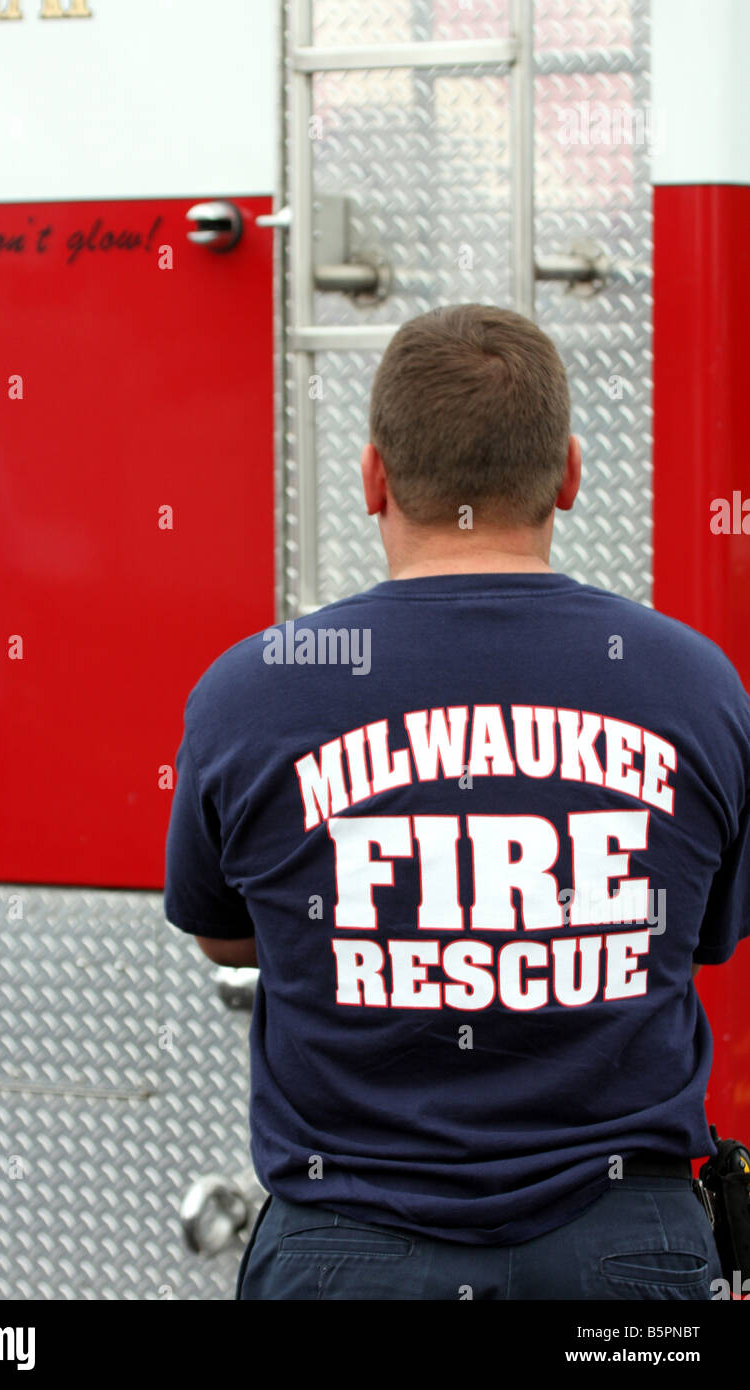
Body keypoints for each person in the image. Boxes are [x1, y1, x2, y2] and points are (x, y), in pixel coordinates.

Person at [163, 303, 750, 1300]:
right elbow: (696, 934)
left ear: (370, 479)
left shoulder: (251, 690)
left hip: (345, 1250)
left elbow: (225, 936)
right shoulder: (693, 683)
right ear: (567, 471)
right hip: (619, 1255)